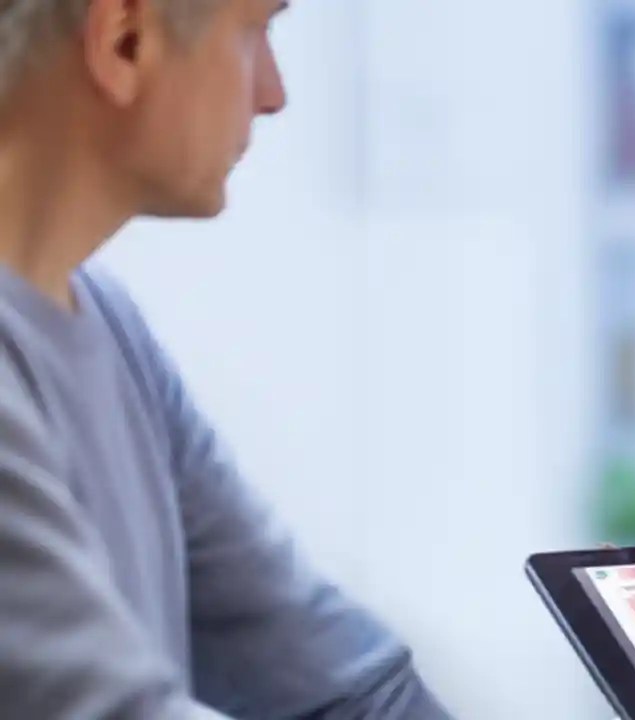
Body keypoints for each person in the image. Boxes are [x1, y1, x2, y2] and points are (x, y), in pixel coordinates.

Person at [0, 0, 451, 717]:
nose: (273, 93)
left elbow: (341, 686)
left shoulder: (110, 327)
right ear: (124, 41)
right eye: (254, 31)